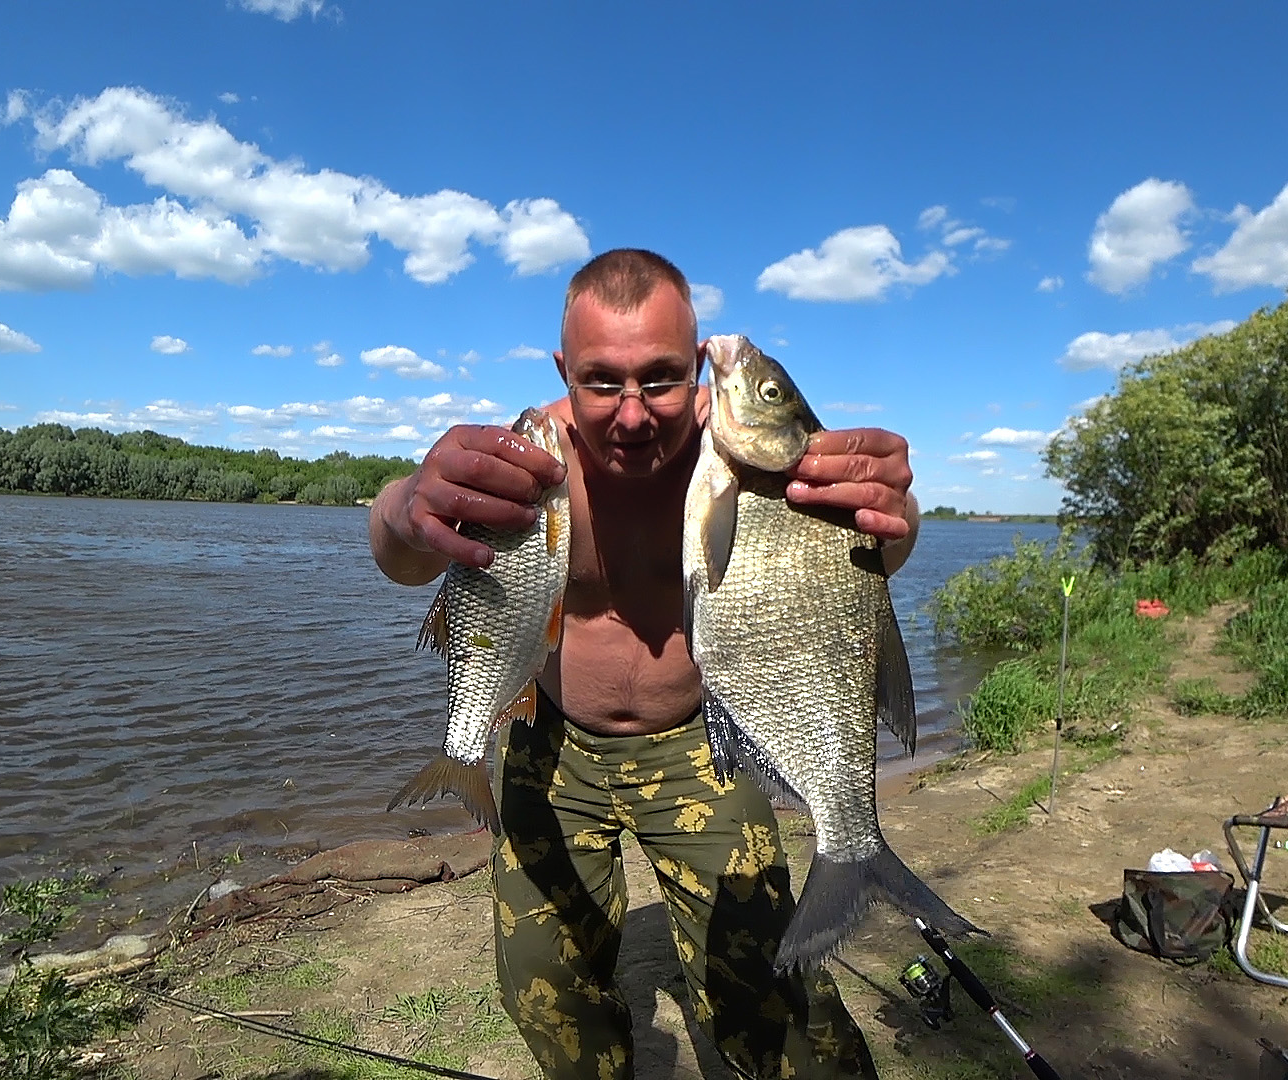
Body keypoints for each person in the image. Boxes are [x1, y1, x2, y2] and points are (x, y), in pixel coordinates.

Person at [368, 249, 919, 1080]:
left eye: (660, 380)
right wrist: (406, 506)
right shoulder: (525, 468)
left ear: (696, 367)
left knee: (776, 1005)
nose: (632, 415)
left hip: (703, 741)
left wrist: (895, 512)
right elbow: (402, 555)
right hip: (552, 744)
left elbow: (862, 550)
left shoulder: (746, 448)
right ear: (565, 370)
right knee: (548, 993)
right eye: (602, 382)